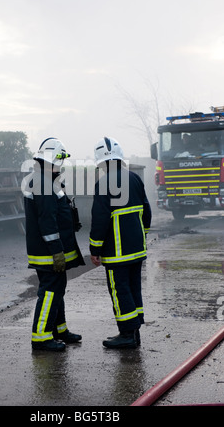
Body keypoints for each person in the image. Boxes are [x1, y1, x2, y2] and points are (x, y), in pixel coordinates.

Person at [23, 137, 84, 352]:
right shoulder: (42, 183)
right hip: (49, 253)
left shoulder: (47, 181)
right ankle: (41, 337)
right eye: (58, 160)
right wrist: (57, 251)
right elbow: (47, 222)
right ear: (50, 160)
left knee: (57, 289)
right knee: (50, 291)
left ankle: (59, 330)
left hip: (52, 251)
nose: (61, 165)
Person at [89, 137, 151, 349]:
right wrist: (142, 234)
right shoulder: (134, 178)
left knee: (119, 290)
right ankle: (134, 331)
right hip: (136, 249)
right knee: (134, 288)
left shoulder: (103, 184)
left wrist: (94, 248)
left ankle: (126, 334)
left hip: (117, 252)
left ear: (101, 162)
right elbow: (146, 210)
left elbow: (99, 219)